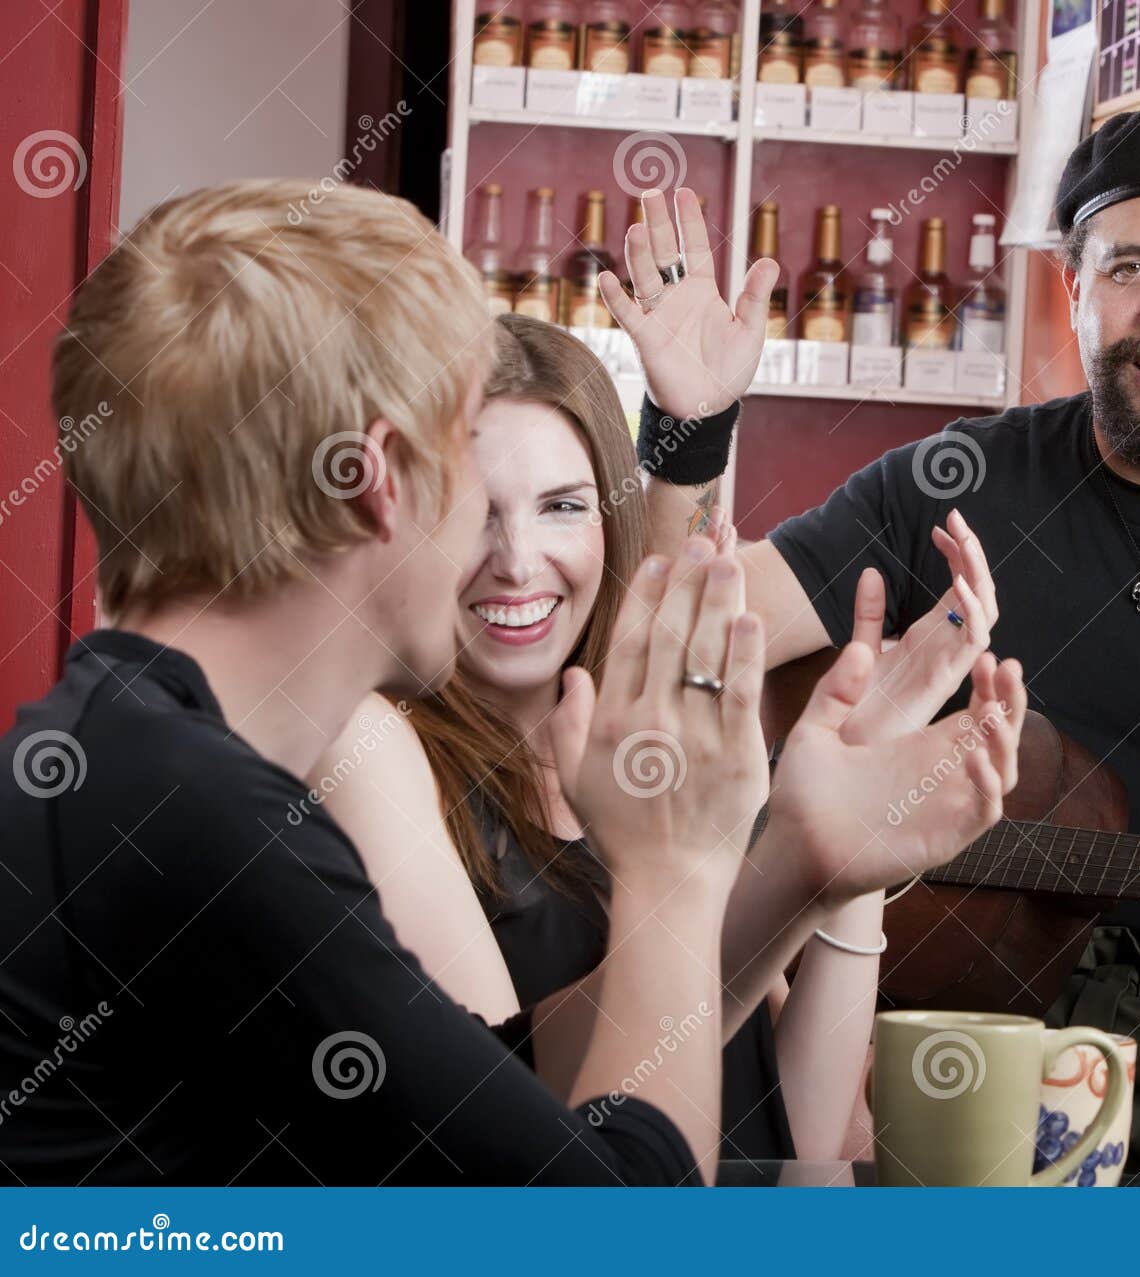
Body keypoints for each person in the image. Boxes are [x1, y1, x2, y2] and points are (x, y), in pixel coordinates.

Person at [0, 179, 1023, 1185]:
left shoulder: (142, 760)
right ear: (378, 479)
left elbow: (507, 1102)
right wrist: (673, 870)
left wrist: (799, 861)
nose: (508, 553)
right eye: (468, 470)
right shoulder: (200, 816)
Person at [599, 106, 1140, 1186]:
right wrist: (689, 429)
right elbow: (678, 647)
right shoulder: (946, 481)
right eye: (1129, 269)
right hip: (909, 997)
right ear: (1075, 287)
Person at [313, 314, 1023, 1160]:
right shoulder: (372, 748)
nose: (516, 559)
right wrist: (785, 862)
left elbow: (796, 1131)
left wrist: (848, 852)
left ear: (608, 521)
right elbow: (493, 1118)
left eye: (562, 507)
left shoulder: (662, 744)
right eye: (470, 512)